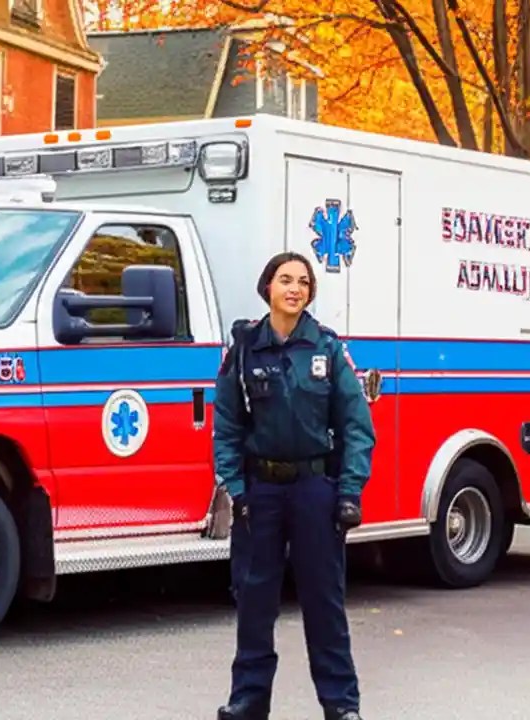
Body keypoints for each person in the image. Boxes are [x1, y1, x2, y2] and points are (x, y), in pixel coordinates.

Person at [213, 251, 376, 720]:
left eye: (303, 282)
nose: (295, 289)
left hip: (313, 490)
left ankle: (341, 704)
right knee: (254, 602)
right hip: (260, 492)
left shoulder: (327, 348)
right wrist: (236, 489)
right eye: (285, 279)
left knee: (324, 603)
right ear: (267, 287)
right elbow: (226, 425)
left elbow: (356, 426)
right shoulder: (245, 348)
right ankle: (248, 701)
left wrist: (348, 491)